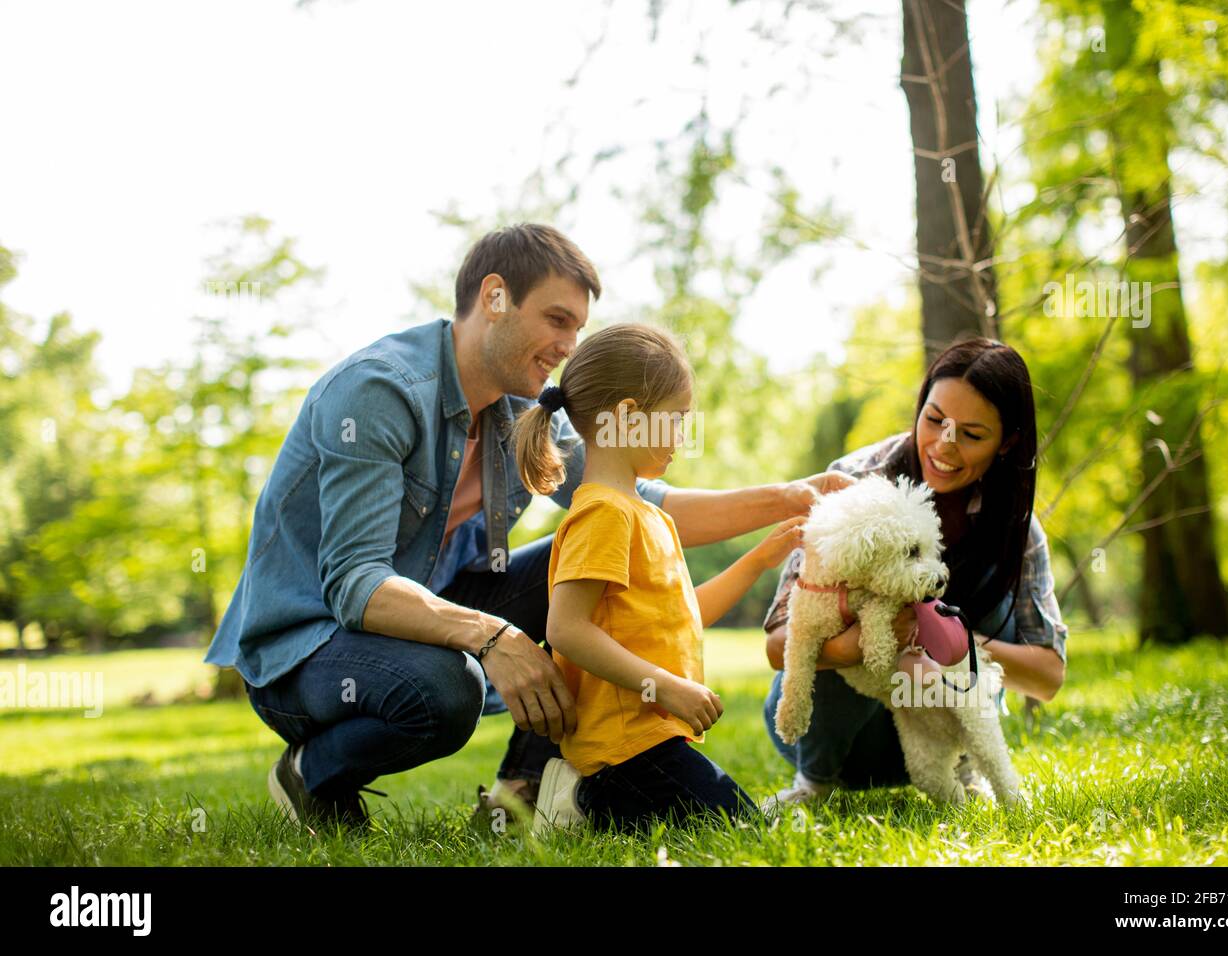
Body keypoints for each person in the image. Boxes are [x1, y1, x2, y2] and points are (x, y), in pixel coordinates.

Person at [203, 223, 852, 830]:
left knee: (573, 562)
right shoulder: (381, 392)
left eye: (578, 328)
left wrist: (791, 497)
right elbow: (354, 584)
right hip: (307, 647)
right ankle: (313, 774)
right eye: (557, 319)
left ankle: (523, 794)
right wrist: (495, 637)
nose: (570, 346)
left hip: (423, 613)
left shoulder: (522, 407)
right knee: (445, 688)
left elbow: (641, 504)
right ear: (494, 297)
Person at [516, 323, 804, 834]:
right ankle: (583, 797)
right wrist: (665, 686)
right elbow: (566, 628)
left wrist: (757, 560)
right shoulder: (603, 514)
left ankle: (588, 798)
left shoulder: (646, 515)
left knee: (736, 819)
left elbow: (683, 615)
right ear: (628, 418)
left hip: (653, 738)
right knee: (745, 828)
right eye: (676, 420)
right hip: (627, 747)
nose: (682, 436)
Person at [761, 337, 1069, 808]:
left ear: (1006, 442)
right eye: (935, 420)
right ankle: (813, 785)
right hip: (842, 741)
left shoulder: (1015, 529)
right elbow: (779, 644)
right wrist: (863, 640)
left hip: (943, 731)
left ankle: (967, 775)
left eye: (971, 433)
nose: (944, 445)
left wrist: (954, 641)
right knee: (828, 619)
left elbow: (1047, 676)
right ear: (920, 405)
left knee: (994, 595)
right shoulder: (853, 484)